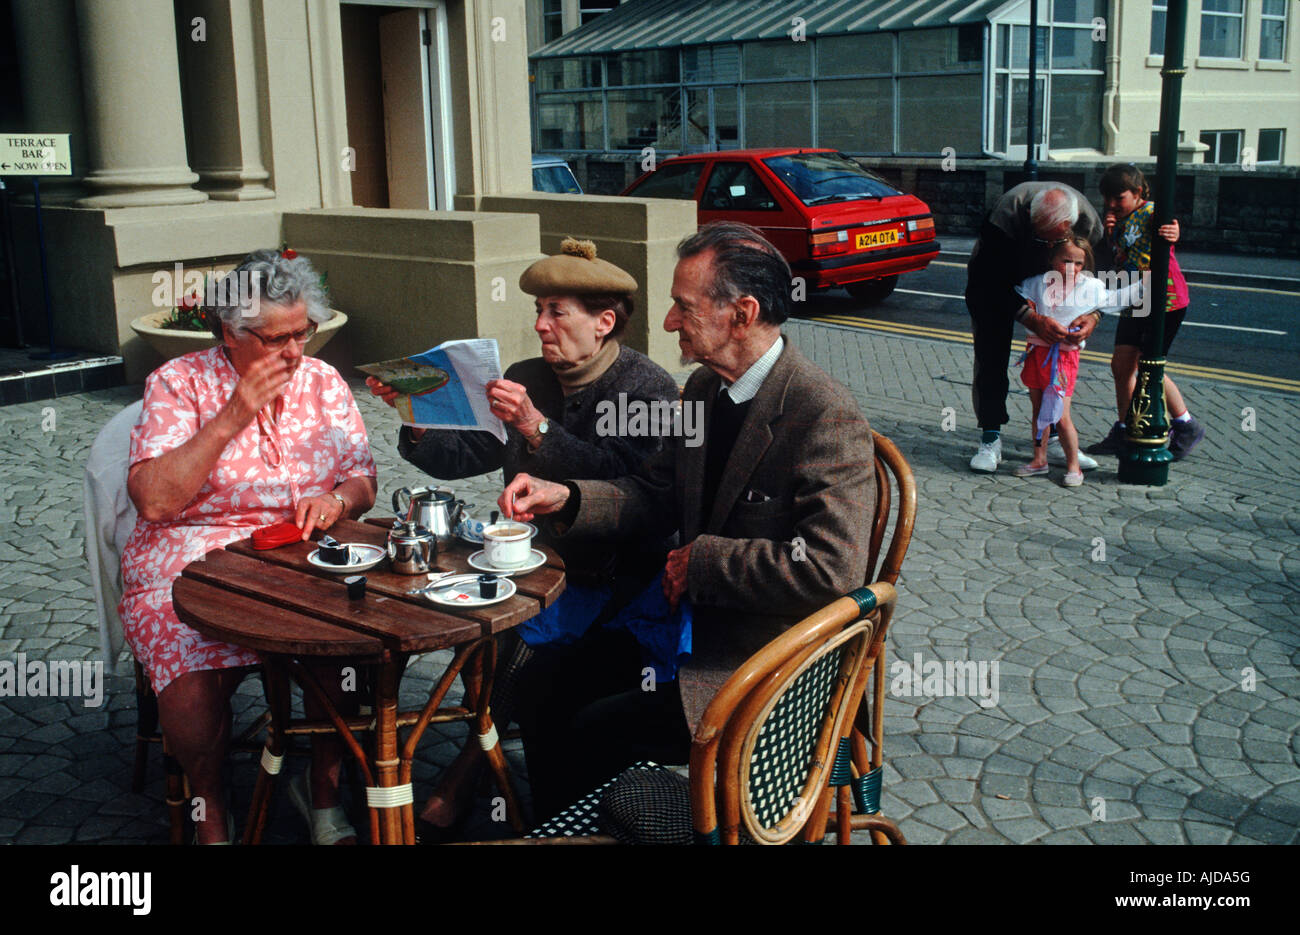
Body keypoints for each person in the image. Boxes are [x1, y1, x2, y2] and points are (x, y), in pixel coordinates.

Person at [499, 221, 877, 820]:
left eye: (683, 306)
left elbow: (833, 568)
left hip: (765, 667)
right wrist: (565, 497)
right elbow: (653, 493)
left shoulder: (822, 413)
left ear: (741, 313)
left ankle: (602, 823)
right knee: (542, 685)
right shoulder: (704, 390)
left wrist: (702, 561)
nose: (670, 322)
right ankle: (564, 828)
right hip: (687, 637)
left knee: (595, 726)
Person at [366, 237, 678, 837]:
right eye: (538, 310)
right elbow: (466, 454)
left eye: (556, 312)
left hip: (616, 579)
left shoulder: (649, 390)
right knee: (463, 624)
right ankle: (481, 764)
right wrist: (414, 414)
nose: (539, 325)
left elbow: (637, 495)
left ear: (604, 322)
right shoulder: (526, 374)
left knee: (517, 656)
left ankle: (469, 776)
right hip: (526, 564)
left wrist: (537, 427)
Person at [121, 249, 378, 844]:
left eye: (302, 333)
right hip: (187, 552)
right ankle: (210, 806)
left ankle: (319, 793)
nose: (295, 352)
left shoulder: (323, 381)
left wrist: (338, 502)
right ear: (228, 334)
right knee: (187, 670)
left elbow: (363, 480)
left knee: (341, 647)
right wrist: (234, 414)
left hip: (297, 546)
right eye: (275, 339)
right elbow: (155, 502)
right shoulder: (177, 383)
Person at [965, 183, 1104, 474]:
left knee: (1053, 367)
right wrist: (1030, 316)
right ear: (1030, 216)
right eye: (1043, 238)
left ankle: (1053, 438)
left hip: (1058, 285)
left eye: (1059, 239)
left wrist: (1092, 316)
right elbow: (987, 281)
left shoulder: (1089, 223)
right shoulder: (1003, 217)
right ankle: (991, 437)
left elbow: (1099, 278)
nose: (1049, 247)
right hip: (996, 281)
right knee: (991, 355)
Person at [1085, 163, 1202, 460]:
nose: (1111, 204)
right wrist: (1112, 232)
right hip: (1134, 297)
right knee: (1122, 366)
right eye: (1107, 198)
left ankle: (1185, 425)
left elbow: (1170, 229)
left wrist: (1175, 231)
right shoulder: (1121, 218)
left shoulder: (1151, 212)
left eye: (1118, 198)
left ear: (1138, 192)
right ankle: (1124, 431)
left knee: (1151, 368)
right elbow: (1121, 258)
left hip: (1164, 299)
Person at [1011, 235, 1142, 487]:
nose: (1072, 268)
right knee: (1039, 410)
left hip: (1063, 357)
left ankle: (1073, 465)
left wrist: (1145, 284)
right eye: (1066, 261)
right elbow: (1021, 294)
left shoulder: (1088, 286)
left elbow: (1114, 300)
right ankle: (1039, 458)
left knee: (1061, 414)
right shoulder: (1038, 282)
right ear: (1051, 259)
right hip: (1035, 353)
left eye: (1079, 263)